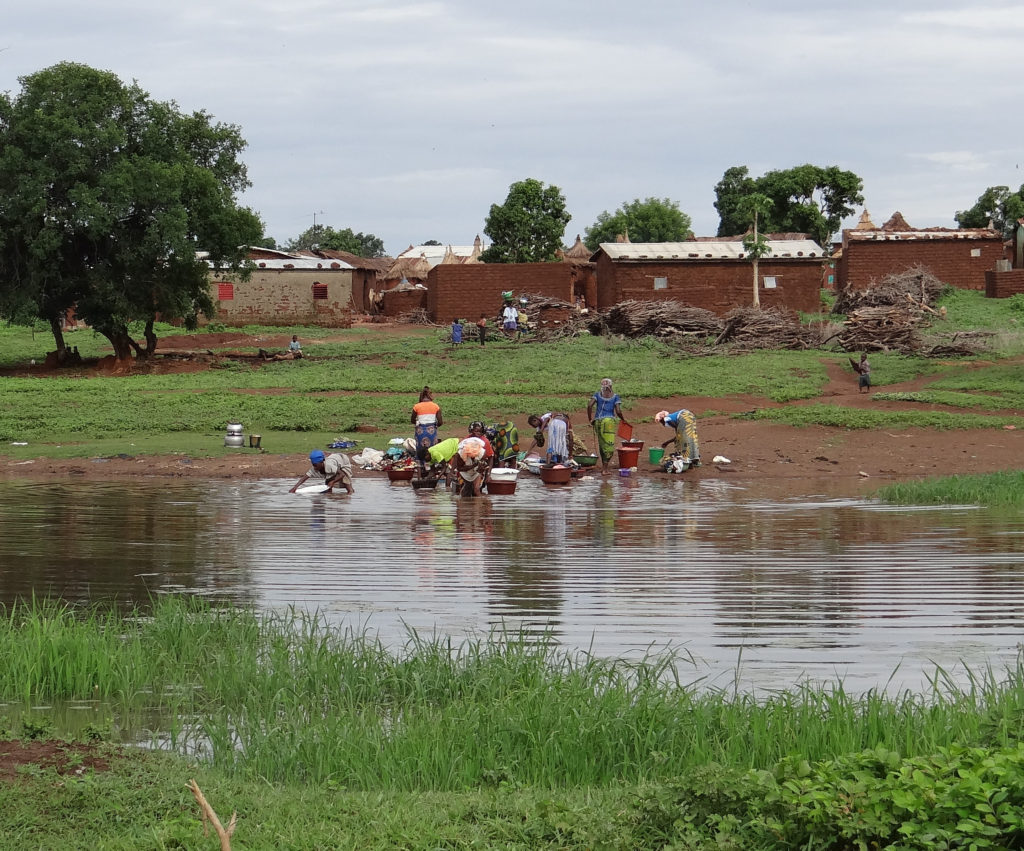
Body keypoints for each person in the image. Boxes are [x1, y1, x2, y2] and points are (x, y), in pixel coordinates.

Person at [587, 378, 629, 473]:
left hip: (597, 421)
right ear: (611, 386)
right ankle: (605, 469)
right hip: (608, 423)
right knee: (609, 446)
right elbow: (618, 411)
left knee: (602, 445)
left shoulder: (597, 395)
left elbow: (589, 405)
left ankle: (604, 467)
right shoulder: (615, 397)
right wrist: (623, 419)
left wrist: (590, 419)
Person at [411, 386, 443, 476]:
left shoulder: (417, 406)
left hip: (420, 431)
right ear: (430, 396)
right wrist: (434, 426)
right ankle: (431, 473)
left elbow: (412, 420)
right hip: (431, 430)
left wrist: (418, 423)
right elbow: (440, 422)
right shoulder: (435, 406)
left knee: (420, 451)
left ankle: (420, 475)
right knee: (432, 450)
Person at [290, 449, 354, 493]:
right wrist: (295, 487)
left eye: (316, 465)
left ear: (321, 462)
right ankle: (329, 495)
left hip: (342, 460)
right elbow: (304, 478)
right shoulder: (315, 468)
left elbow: (342, 474)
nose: (314, 467)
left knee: (345, 479)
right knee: (327, 483)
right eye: (313, 465)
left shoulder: (329, 465)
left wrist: (333, 482)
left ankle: (350, 492)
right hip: (334, 462)